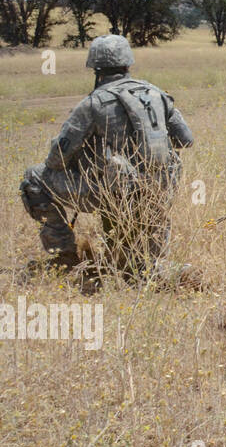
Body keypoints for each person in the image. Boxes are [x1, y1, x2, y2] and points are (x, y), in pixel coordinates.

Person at [20, 34, 193, 278]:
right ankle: (157, 267)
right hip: (159, 192)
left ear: (95, 68)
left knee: (34, 178)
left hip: (112, 194)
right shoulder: (157, 94)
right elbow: (186, 140)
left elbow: (55, 159)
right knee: (139, 265)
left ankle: (64, 257)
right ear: (127, 63)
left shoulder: (94, 103)